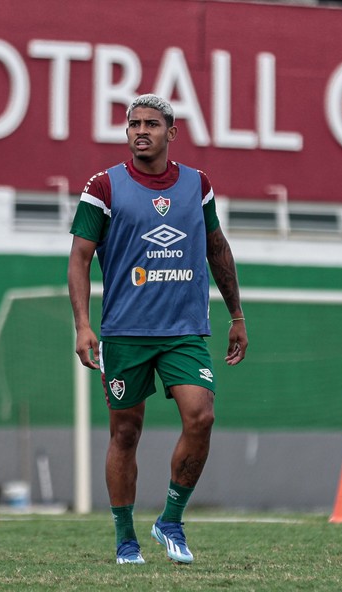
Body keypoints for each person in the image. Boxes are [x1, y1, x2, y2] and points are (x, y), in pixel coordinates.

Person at [67, 94, 248, 565]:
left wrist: (237, 315)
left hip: (184, 331)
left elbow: (217, 248)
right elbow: (80, 259)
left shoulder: (197, 185)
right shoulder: (103, 187)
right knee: (126, 433)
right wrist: (84, 325)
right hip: (125, 332)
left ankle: (170, 519)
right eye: (132, 124)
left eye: (150, 123)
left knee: (201, 416)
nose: (140, 130)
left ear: (172, 132)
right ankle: (126, 539)